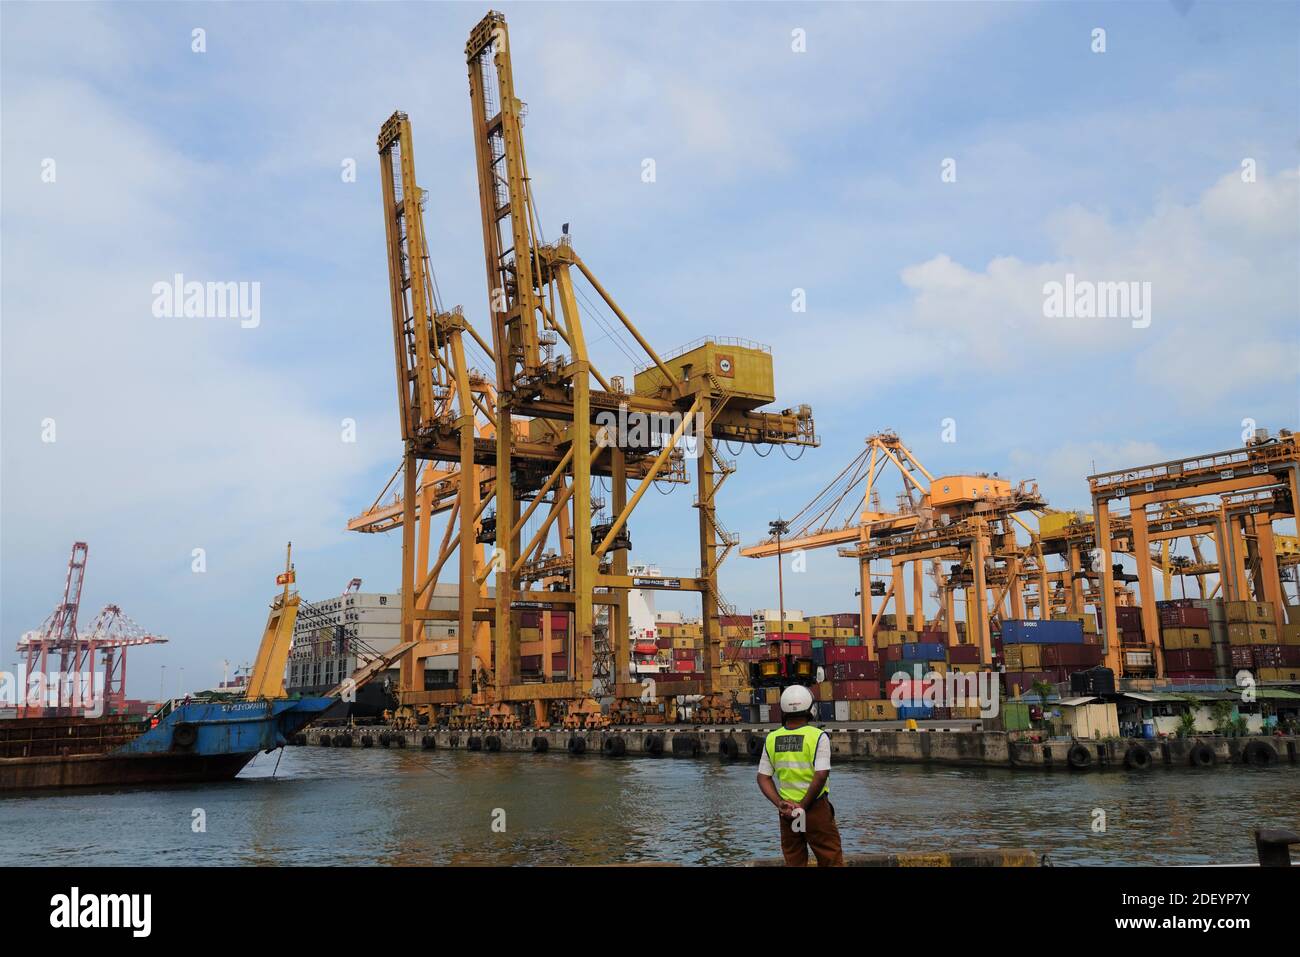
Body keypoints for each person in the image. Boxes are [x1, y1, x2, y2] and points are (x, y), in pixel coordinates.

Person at [756, 685, 844, 866]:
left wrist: (780, 803)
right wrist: (802, 806)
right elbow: (821, 775)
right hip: (814, 809)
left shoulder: (772, 738)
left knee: (795, 860)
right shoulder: (818, 736)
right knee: (830, 858)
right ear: (810, 708)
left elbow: (762, 778)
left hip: (788, 813)